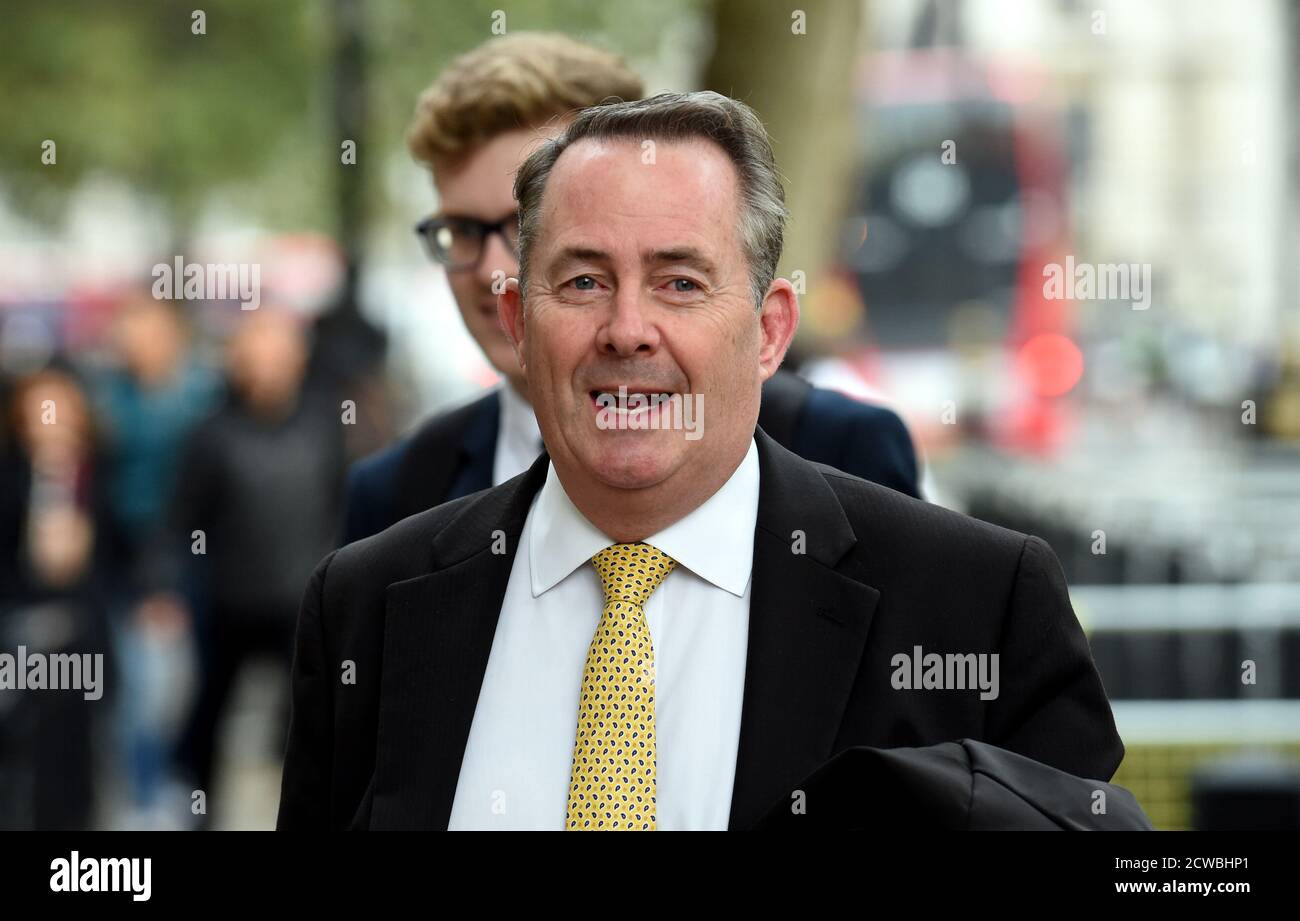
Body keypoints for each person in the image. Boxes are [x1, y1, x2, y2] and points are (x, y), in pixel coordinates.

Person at [278, 92, 1125, 831]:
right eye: (582, 282)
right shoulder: (368, 608)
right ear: (517, 322)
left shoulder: (974, 606)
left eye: (680, 282)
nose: (627, 328)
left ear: (769, 329)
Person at [340, 34, 919, 548]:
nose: (496, 269)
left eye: (525, 225)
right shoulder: (395, 492)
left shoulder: (838, 445)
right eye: (463, 231)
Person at [172, 308, 347, 822]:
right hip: (228, 601)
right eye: (255, 356)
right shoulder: (212, 434)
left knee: (309, 726)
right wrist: (168, 587)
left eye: (278, 354)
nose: (267, 367)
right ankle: (197, 812)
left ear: (298, 359)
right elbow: (184, 518)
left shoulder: (325, 425)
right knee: (208, 716)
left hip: (303, 601)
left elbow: (346, 504)